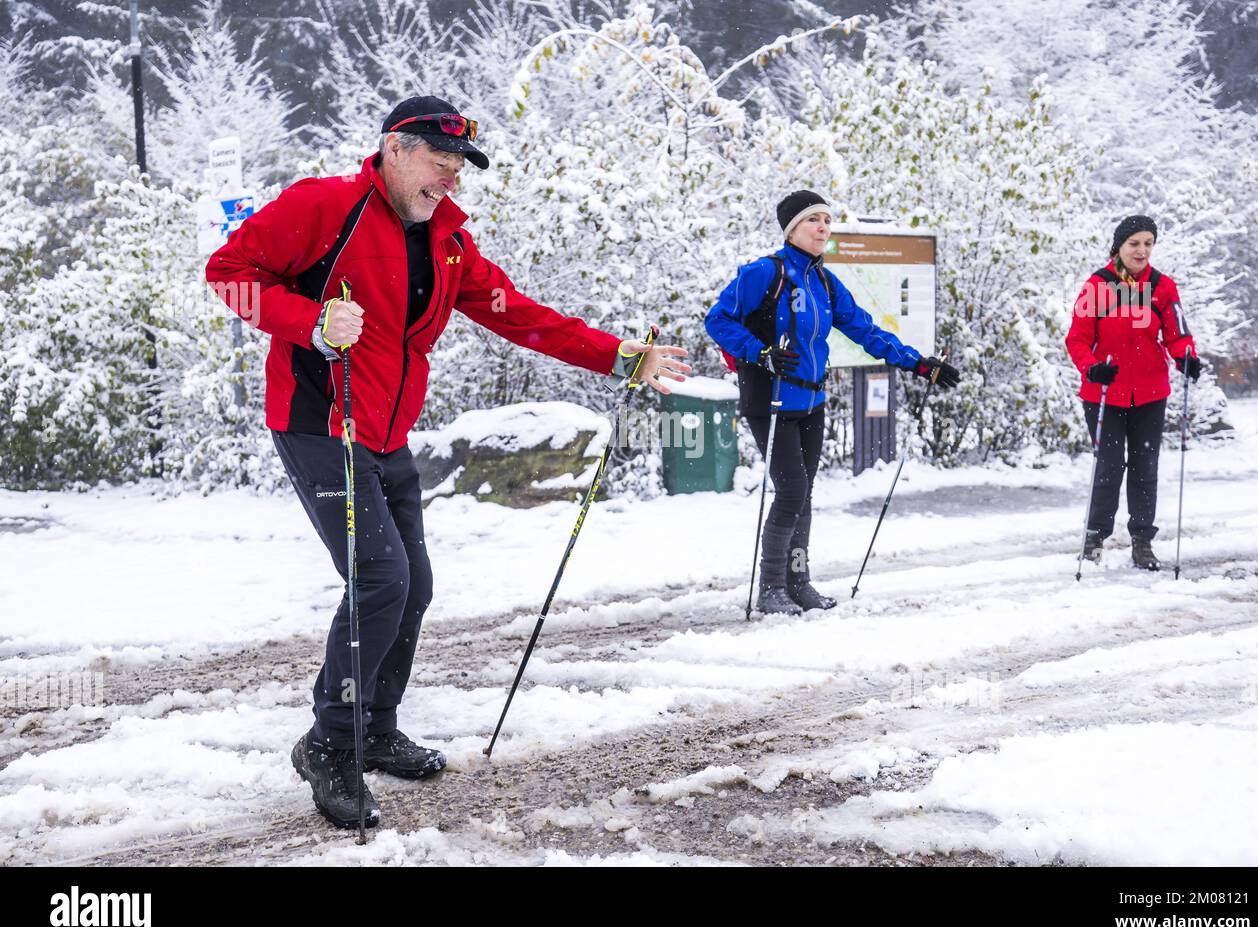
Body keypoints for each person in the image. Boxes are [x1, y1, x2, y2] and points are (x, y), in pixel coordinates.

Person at [206, 95, 690, 828]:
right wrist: (309, 322)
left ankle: (373, 727)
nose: (452, 178)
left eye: (460, 165)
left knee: (414, 585)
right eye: (441, 161)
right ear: (397, 149)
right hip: (320, 424)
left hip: (386, 433)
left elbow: (520, 314)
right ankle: (329, 745)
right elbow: (228, 272)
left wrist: (624, 357)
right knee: (380, 579)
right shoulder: (325, 207)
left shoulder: (448, 245)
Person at [705, 190, 960, 615]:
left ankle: (798, 581)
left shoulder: (824, 281)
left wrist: (918, 364)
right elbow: (718, 319)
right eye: (813, 220)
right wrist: (759, 352)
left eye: (827, 220)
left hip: (811, 398)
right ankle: (771, 587)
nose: (823, 227)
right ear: (792, 229)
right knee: (791, 490)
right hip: (769, 398)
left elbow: (865, 330)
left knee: (803, 494)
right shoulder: (764, 274)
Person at [1065, 214, 1200, 571]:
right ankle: (1095, 537)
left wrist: (1187, 357)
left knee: (1145, 466)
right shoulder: (1098, 286)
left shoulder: (1162, 287)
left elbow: (1177, 333)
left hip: (1150, 392)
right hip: (1104, 393)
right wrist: (1091, 366)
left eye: (1148, 244)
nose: (1141, 251)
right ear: (1119, 247)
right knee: (1108, 467)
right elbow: (1077, 338)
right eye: (1134, 244)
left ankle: (1142, 541)